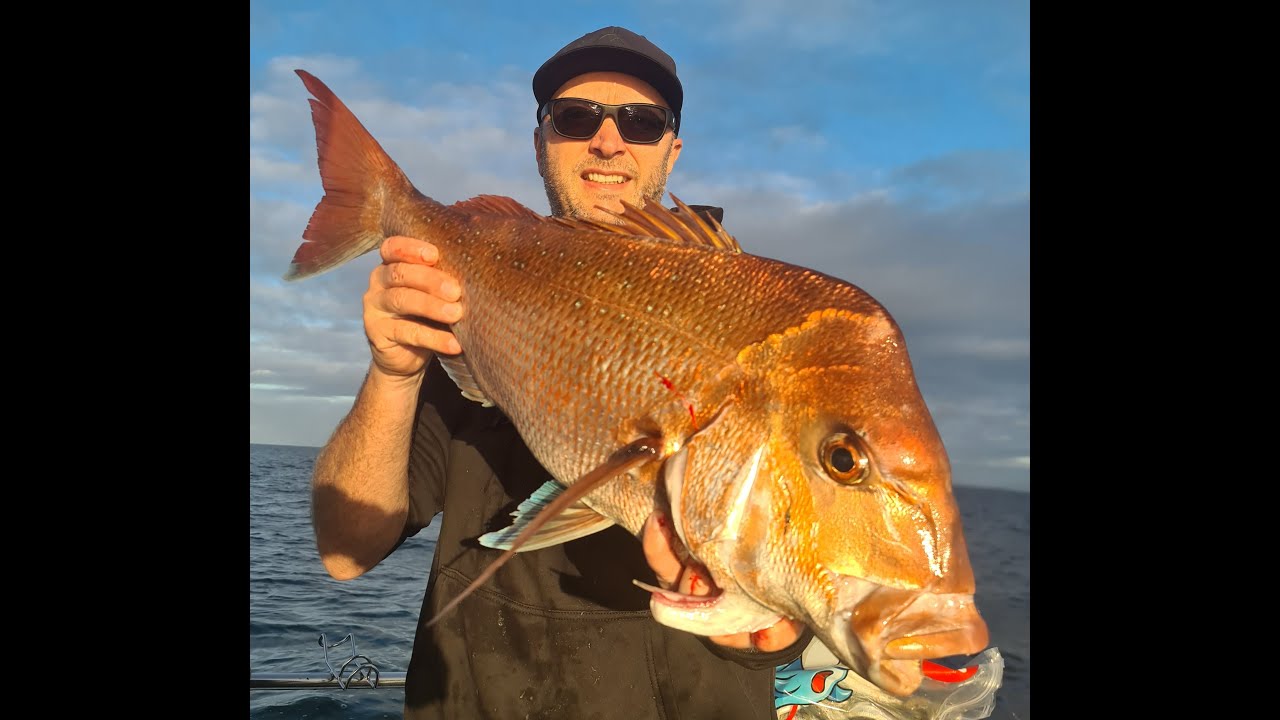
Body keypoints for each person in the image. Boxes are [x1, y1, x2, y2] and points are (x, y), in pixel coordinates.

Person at [310, 26, 811, 719]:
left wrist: (759, 626)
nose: (608, 141)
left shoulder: (752, 327)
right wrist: (394, 372)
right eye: (576, 118)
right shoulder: (464, 316)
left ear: (672, 148)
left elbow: (793, 611)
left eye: (641, 122)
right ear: (542, 140)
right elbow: (344, 553)